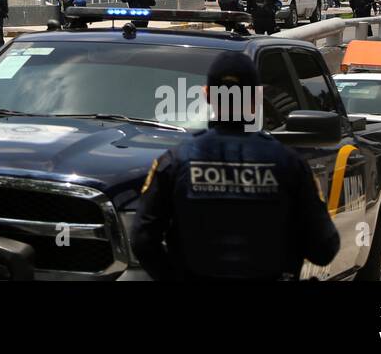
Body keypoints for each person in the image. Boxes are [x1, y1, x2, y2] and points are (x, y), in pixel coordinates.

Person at [130, 51, 340, 280]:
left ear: (207, 95)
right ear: (257, 98)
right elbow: (324, 249)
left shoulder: (175, 162)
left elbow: (142, 239)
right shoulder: (289, 164)